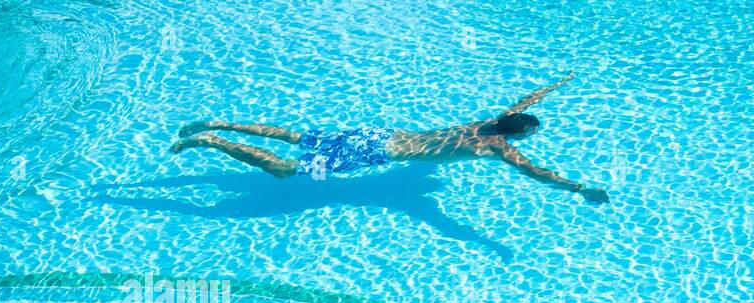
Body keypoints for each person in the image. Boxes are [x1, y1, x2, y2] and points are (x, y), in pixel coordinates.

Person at [171, 73, 609, 203]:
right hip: (375, 151)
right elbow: (535, 173)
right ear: (518, 136)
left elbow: (525, 100)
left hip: (376, 132)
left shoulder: (494, 123)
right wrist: (577, 188)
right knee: (288, 171)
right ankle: (213, 142)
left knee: (295, 136)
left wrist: (556, 86)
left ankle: (220, 124)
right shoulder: (497, 147)